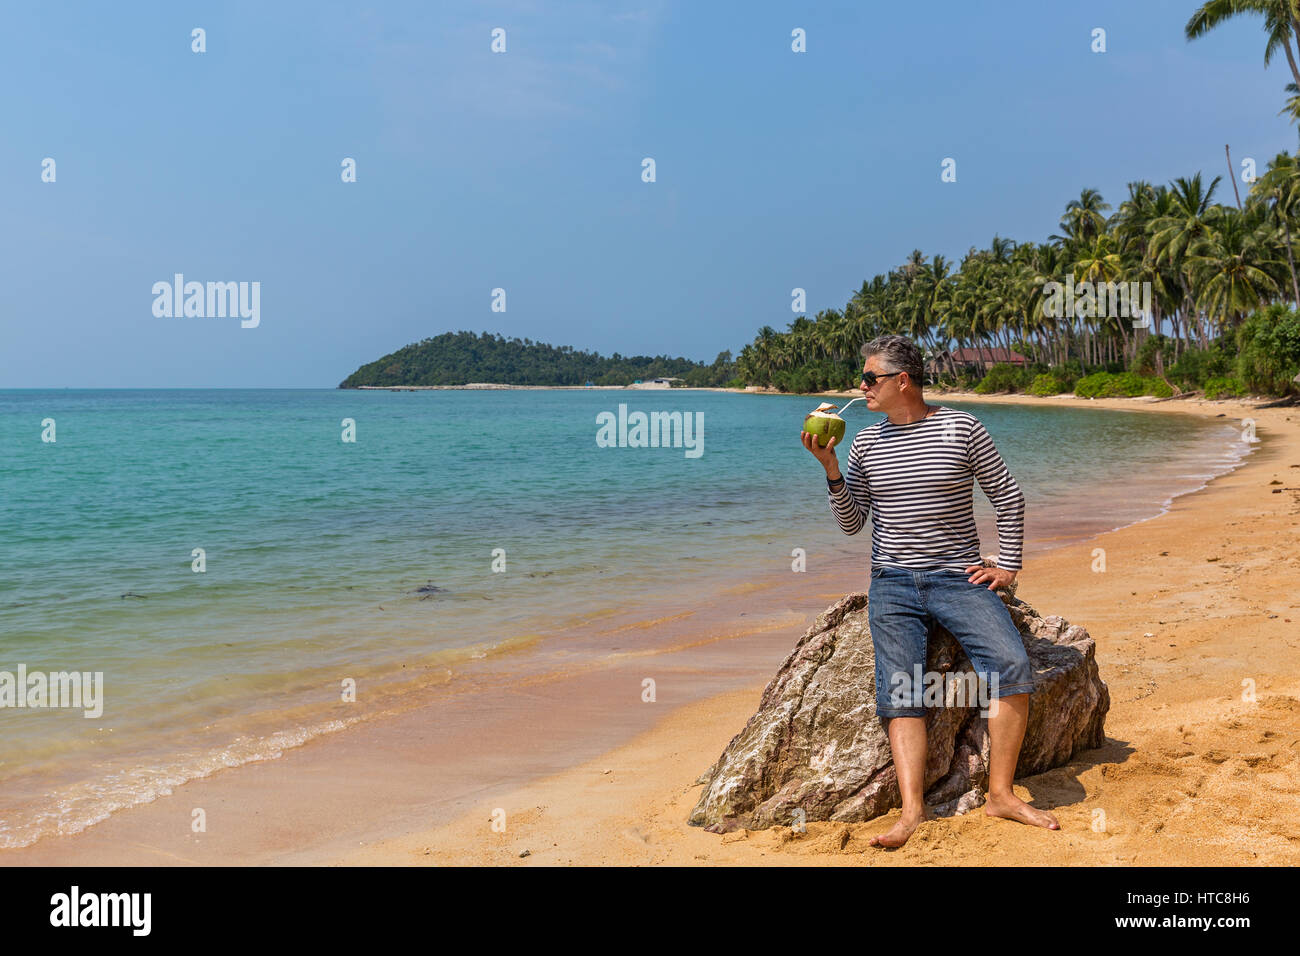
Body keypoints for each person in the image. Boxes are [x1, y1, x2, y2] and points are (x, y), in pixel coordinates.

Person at [800, 334, 1059, 847]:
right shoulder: (867, 442)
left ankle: (1001, 796)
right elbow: (854, 522)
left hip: (957, 578)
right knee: (902, 691)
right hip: (892, 583)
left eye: (870, 378)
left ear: (902, 381)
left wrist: (1006, 566)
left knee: (1011, 666)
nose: (861, 386)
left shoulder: (961, 427)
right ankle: (912, 812)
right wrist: (830, 469)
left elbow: (1009, 497)